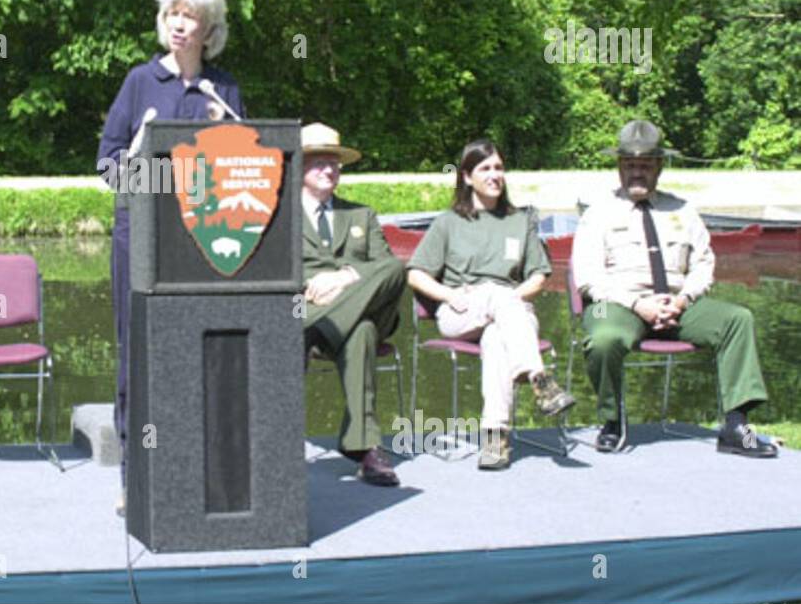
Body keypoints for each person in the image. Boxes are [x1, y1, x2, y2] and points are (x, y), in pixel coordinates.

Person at [97, 0, 244, 513]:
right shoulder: (140, 82)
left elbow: (245, 169)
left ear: (209, 30)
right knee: (139, 352)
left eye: (192, 17)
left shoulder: (222, 90)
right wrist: (152, 174)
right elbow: (108, 165)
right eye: (173, 14)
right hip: (143, 237)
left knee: (199, 352)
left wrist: (223, 138)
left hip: (205, 242)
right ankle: (136, 476)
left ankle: (196, 466)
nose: (181, 24)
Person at [571, 119, 775, 457]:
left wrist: (683, 299)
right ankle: (611, 420)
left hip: (679, 303)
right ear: (619, 166)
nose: (637, 172)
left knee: (738, 319)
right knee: (603, 335)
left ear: (660, 166)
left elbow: (703, 264)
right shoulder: (598, 214)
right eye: (630, 164)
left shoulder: (682, 209)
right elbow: (589, 276)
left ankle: (736, 426)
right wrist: (639, 305)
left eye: (645, 165)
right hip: (617, 304)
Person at [407, 139, 575, 470]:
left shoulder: (520, 220)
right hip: (460, 310)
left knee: (498, 339)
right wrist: (450, 295)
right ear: (467, 176)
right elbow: (415, 275)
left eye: (499, 167)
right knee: (501, 299)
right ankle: (539, 377)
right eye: (485, 168)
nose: (495, 175)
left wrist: (512, 298)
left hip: (507, 315)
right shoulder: (448, 222)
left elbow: (538, 277)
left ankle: (495, 438)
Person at [300, 123, 407, 486]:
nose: (329, 169)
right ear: (299, 167)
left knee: (396, 268)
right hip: (304, 310)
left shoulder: (361, 215)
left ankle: (321, 325)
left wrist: (342, 277)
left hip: (309, 324)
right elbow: (275, 274)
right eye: (319, 163)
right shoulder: (280, 218)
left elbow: (385, 268)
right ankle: (364, 447)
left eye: (334, 163)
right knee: (360, 331)